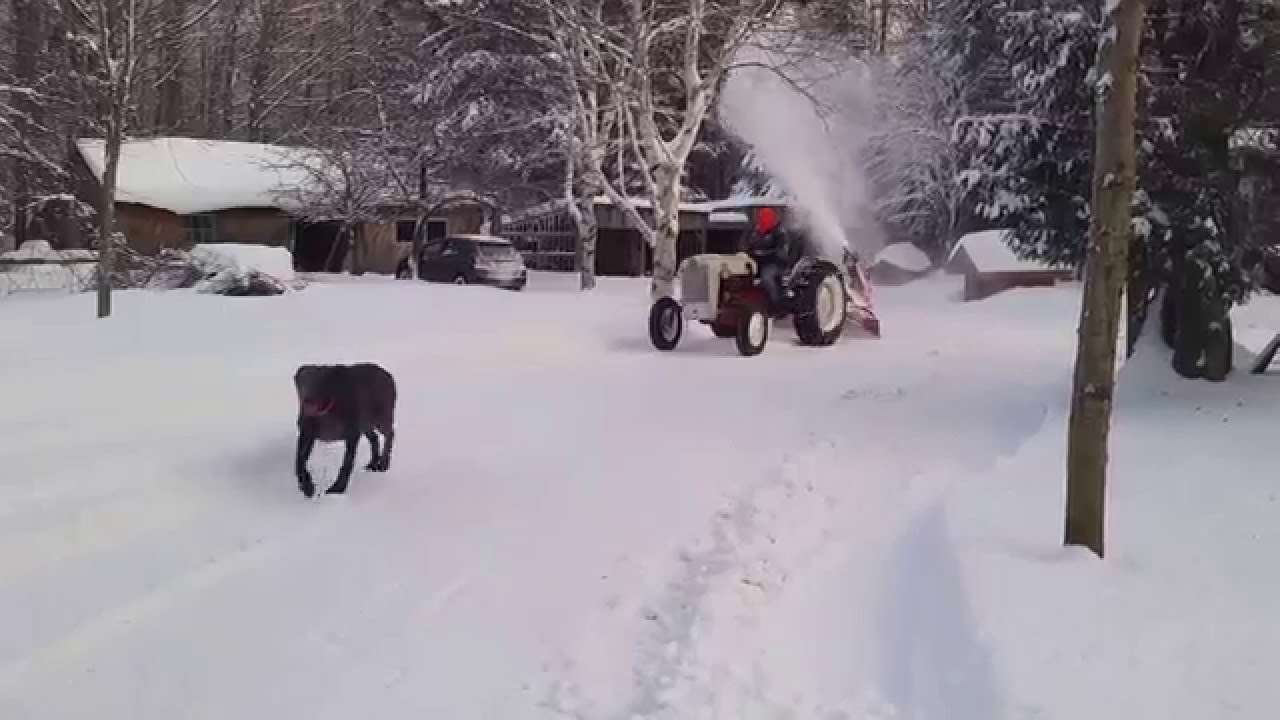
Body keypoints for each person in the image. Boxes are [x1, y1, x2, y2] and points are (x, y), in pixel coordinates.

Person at [746, 206, 794, 311]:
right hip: (757, 262)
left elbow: (781, 253)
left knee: (767, 277)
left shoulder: (780, 233)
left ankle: (777, 303)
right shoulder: (756, 232)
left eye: (764, 218)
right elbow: (747, 246)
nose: (762, 220)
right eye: (761, 218)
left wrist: (763, 254)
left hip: (776, 263)